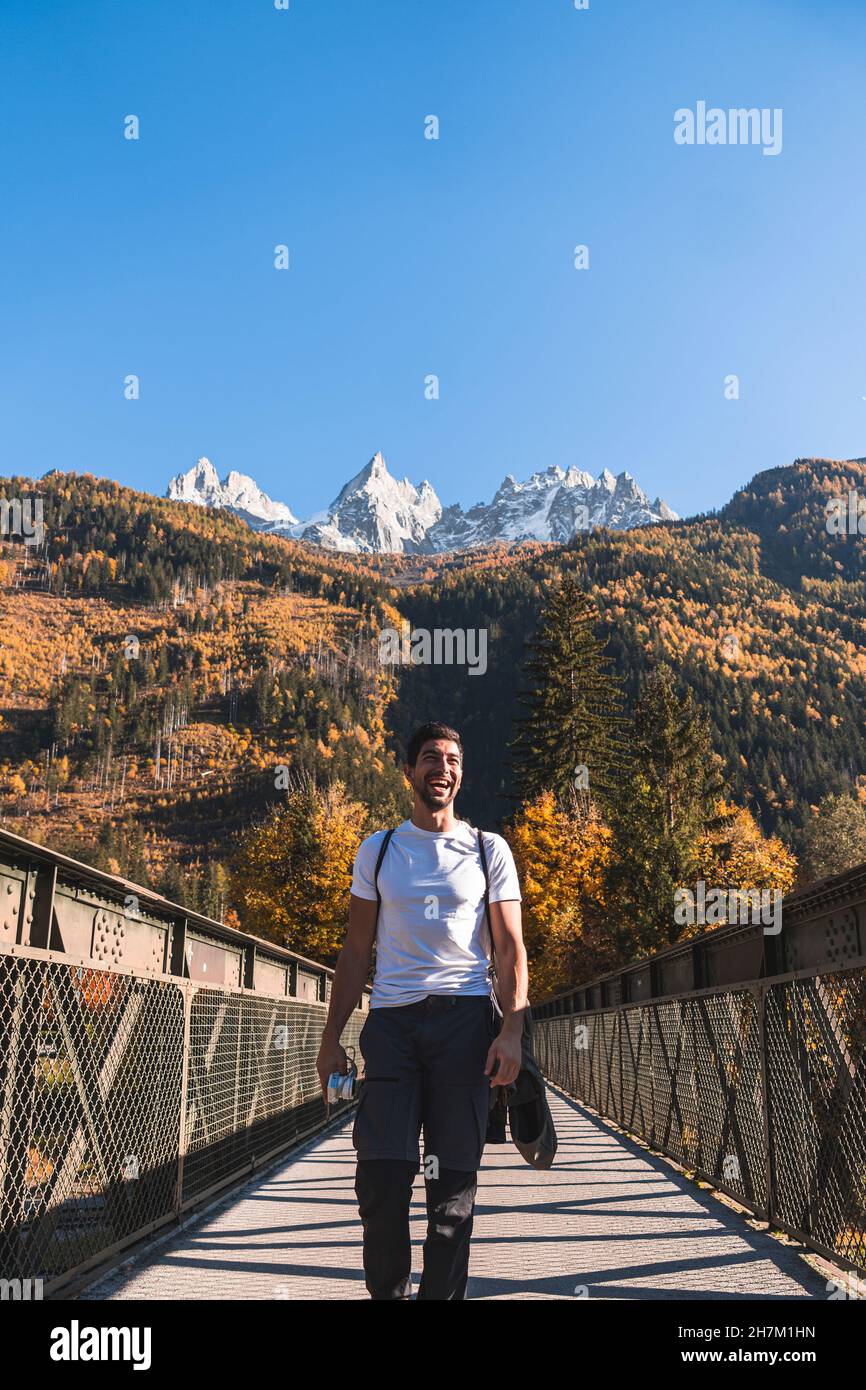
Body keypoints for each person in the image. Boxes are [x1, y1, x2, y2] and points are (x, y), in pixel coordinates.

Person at [316, 720, 528, 1300]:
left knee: (451, 1196)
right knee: (381, 1181)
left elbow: (510, 948)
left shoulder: (490, 850)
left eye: (453, 758)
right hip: (392, 1026)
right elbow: (357, 949)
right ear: (408, 771)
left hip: (465, 1025)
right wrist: (332, 1037)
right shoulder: (379, 849)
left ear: (461, 772)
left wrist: (512, 1030)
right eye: (430, 757)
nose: (443, 767)